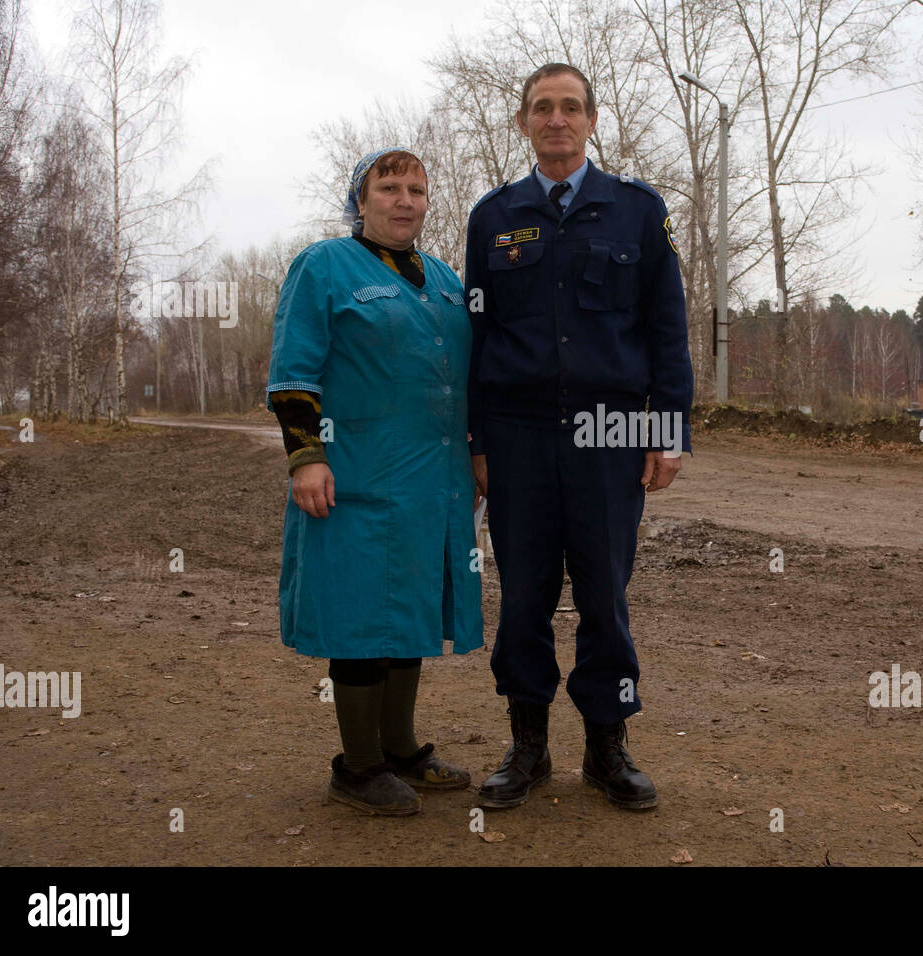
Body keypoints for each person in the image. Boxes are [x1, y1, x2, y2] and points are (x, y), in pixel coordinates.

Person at [466, 63, 694, 811]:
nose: (556, 119)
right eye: (541, 108)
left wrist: (668, 428)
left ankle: (607, 747)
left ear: (591, 120)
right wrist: (476, 437)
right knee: (525, 593)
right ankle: (527, 746)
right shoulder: (493, 217)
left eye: (569, 108)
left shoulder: (637, 210)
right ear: (524, 122)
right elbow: (476, 330)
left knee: (604, 594)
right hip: (519, 432)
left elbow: (667, 325)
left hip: (614, 430)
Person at [267, 146, 483, 815]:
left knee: (409, 613)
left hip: (430, 484)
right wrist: (307, 457)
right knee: (362, 615)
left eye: (417, 188)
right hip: (353, 479)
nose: (405, 199)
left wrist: (475, 453)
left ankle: (400, 750)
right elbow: (293, 372)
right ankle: (357, 766)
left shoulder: (446, 277)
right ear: (360, 201)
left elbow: (467, 380)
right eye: (388, 187)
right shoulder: (324, 266)